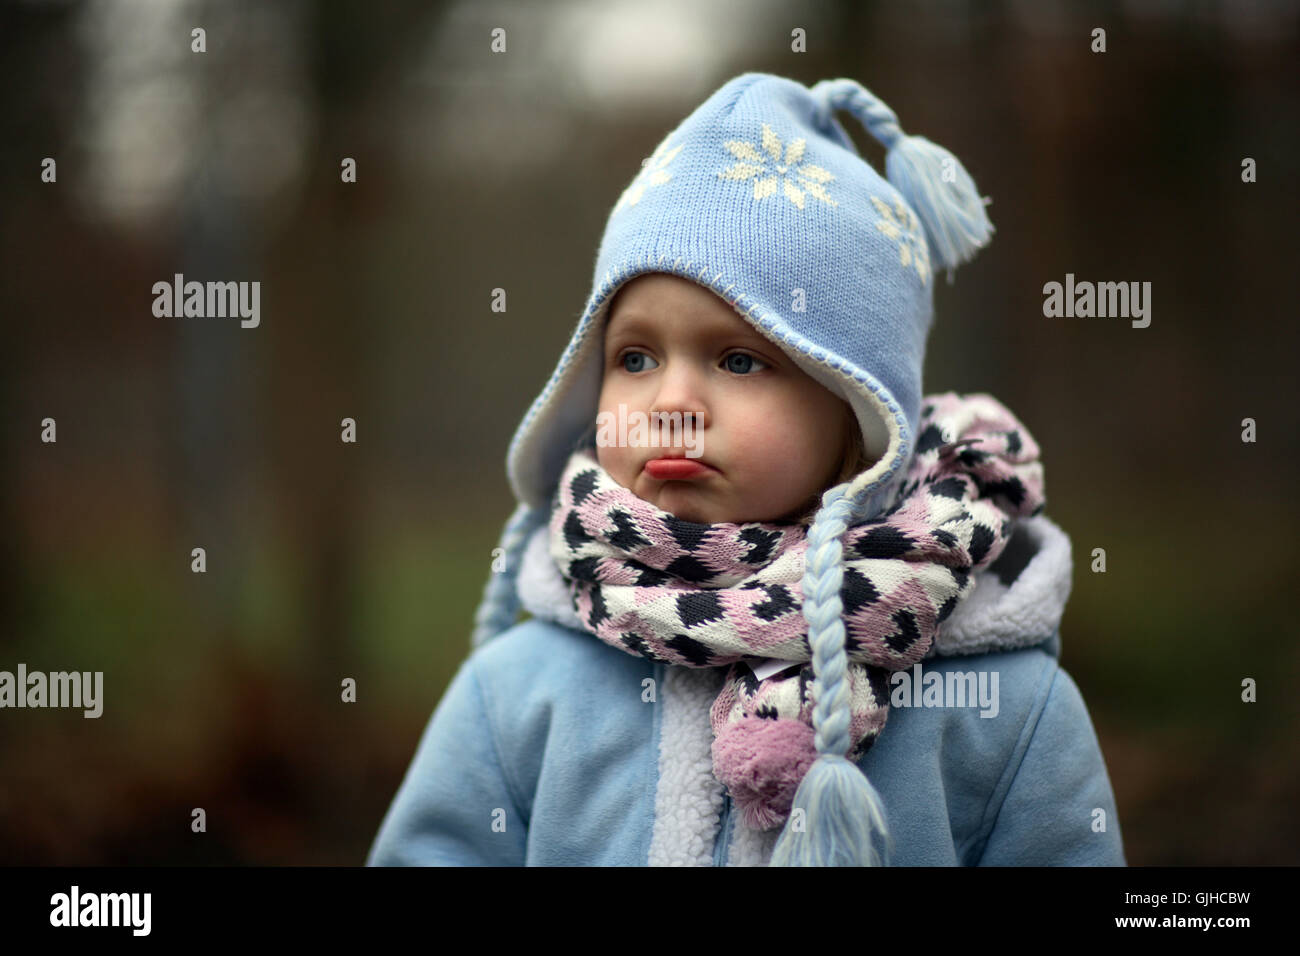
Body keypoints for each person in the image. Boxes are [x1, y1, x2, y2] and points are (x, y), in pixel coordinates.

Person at [366, 72, 1126, 866]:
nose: (672, 402)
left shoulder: (998, 706)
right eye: (634, 356)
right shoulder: (523, 691)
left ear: (860, 413)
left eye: (737, 358)